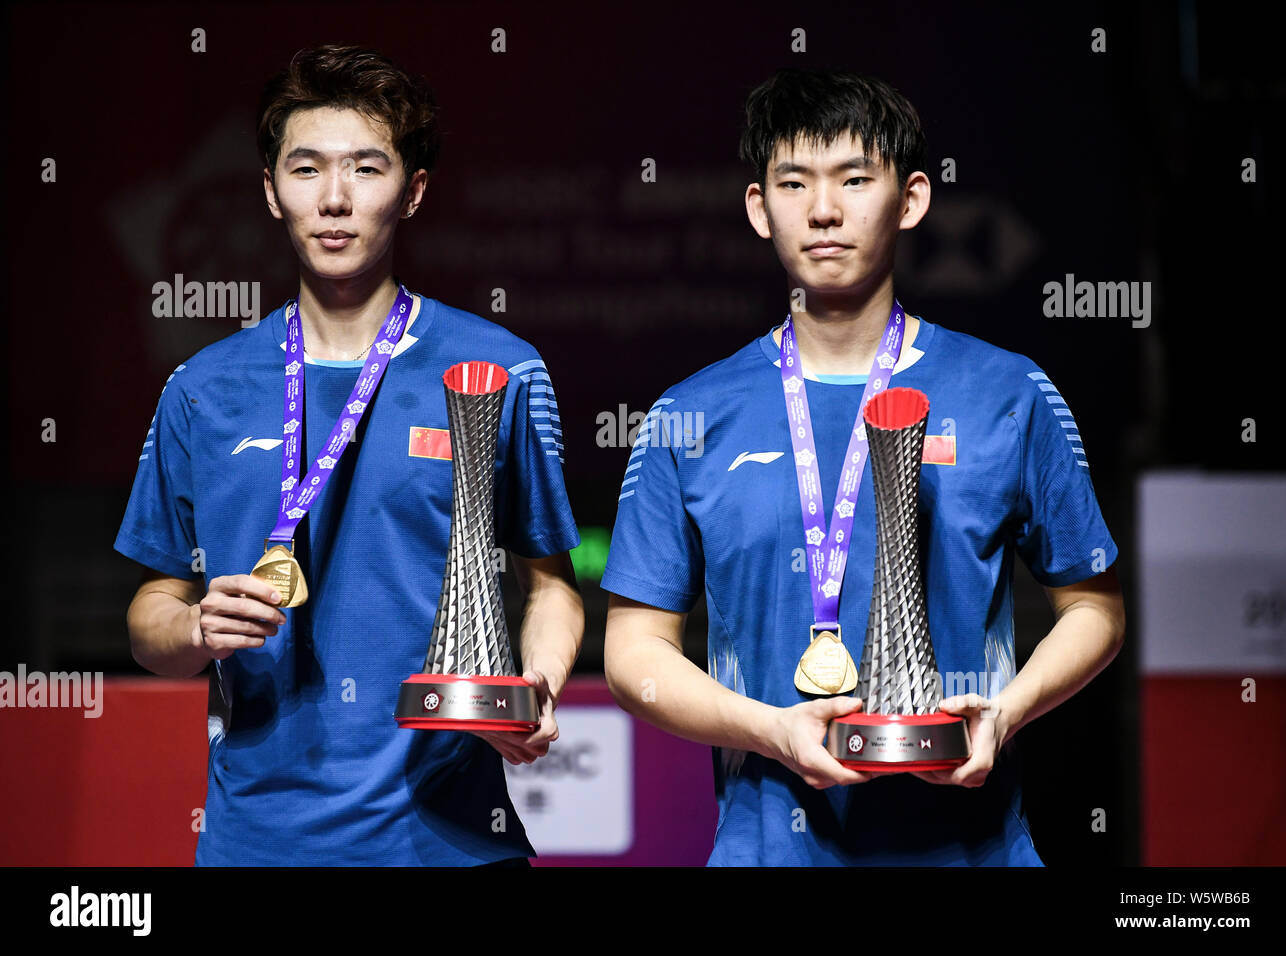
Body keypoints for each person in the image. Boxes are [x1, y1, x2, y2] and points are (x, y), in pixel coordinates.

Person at [601, 68, 1125, 865]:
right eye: (793, 183)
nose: (823, 210)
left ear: (911, 199)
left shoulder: (1008, 392)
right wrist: (770, 729)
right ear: (758, 208)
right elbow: (633, 648)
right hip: (767, 848)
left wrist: (1006, 711)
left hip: (974, 847)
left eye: (854, 179)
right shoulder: (690, 412)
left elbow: (1095, 608)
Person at [114, 45, 584, 866]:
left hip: (454, 842)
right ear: (270, 191)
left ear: (414, 191)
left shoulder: (500, 370)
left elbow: (550, 586)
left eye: (367, 168)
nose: (334, 200)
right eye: (307, 170)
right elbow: (150, 619)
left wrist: (533, 685)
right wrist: (193, 625)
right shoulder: (201, 388)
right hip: (256, 842)